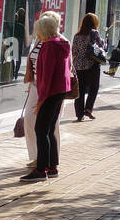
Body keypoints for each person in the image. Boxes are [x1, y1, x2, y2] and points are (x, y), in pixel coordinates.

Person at [21, 11, 71, 182]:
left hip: (50, 93)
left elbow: (46, 76)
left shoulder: (49, 46)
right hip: (59, 91)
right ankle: (52, 166)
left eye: (38, 31)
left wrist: (41, 100)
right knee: (48, 130)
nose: (37, 34)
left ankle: (41, 170)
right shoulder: (59, 43)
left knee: (41, 130)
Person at [70, 13, 105, 121]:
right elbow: (100, 47)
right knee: (93, 88)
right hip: (92, 65)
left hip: (79, 66)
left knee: (79, 90)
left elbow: (74, 51)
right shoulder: (94, 33)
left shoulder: (77, 35)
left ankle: (79, 114)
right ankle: (88, 109)